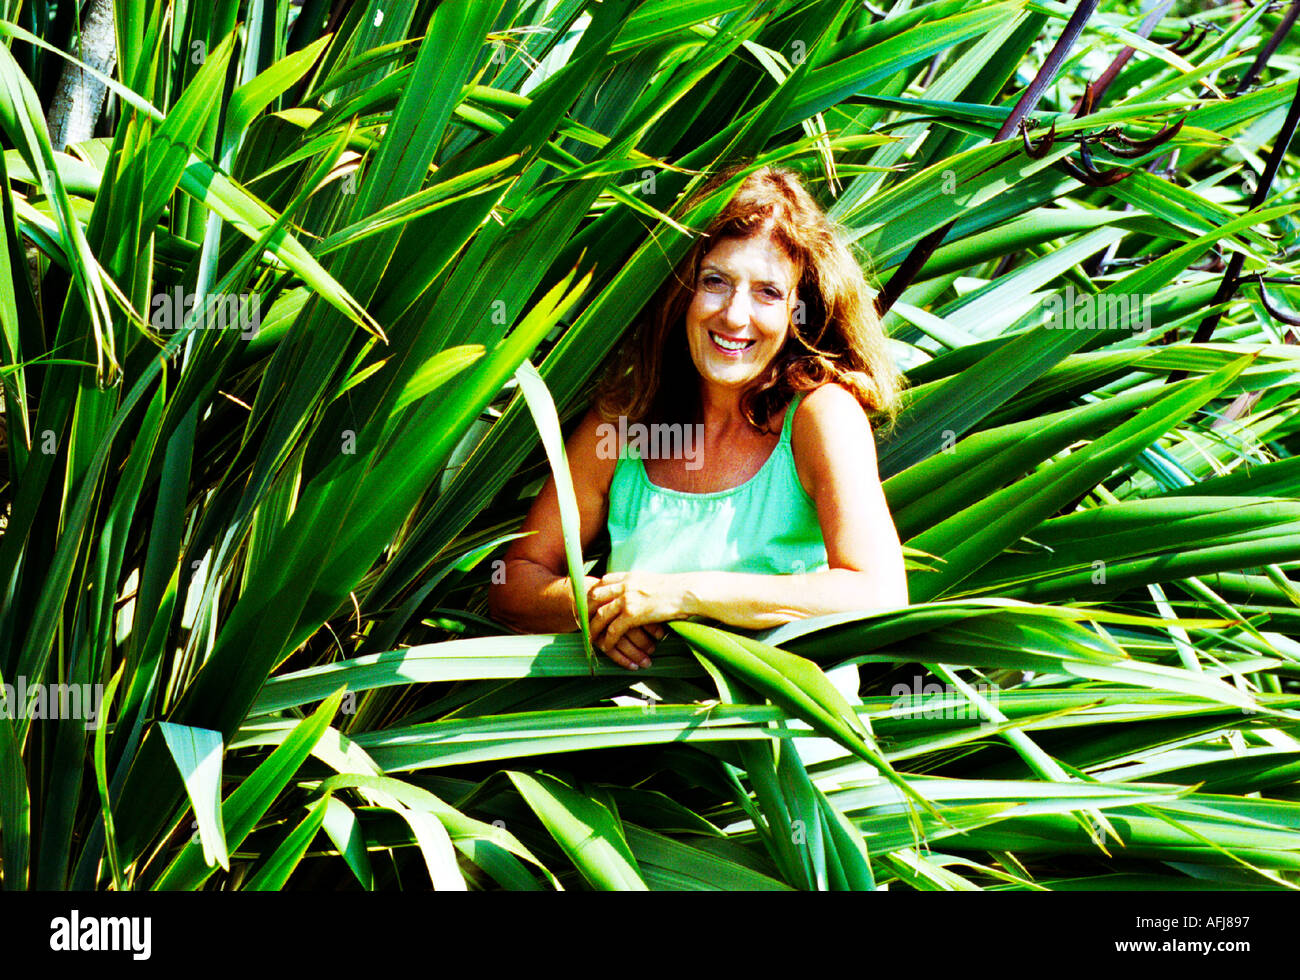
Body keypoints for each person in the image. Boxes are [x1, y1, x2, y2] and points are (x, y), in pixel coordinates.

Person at [489, 163, 909, 680]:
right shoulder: (625, 419)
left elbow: (878, 593)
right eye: (715, 281)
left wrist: (682, 596)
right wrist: (608, 604)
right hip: (625, 743)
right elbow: (512, 582)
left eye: (768, 293)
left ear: (800, 310)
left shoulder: (820, 415)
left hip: (786, 747)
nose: (735, 315)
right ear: (680, 290)